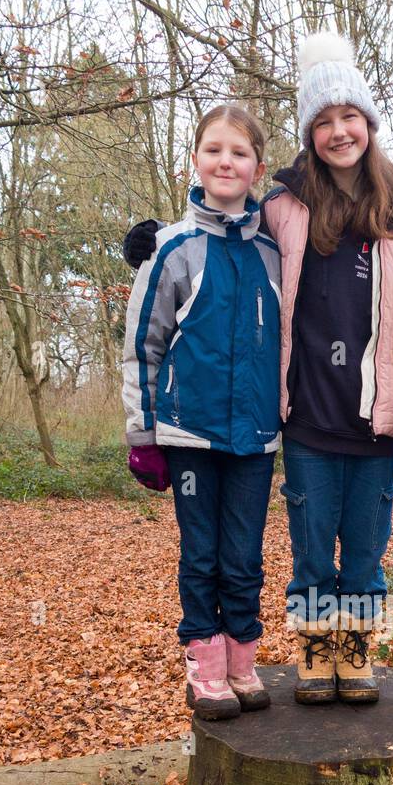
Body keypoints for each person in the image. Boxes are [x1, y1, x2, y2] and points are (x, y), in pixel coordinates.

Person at [125, 33, 393, 706]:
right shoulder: (282, 207)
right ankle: (315, 660)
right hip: (305, 415)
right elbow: (214, 223)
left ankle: (355, 658)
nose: (339, 131)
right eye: (323, 121)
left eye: (350, 117)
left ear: (368, 125)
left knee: (367, 551)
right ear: (308, 135)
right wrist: (146, 242)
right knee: (311, 549)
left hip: (378, 412)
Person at [122, 104, 281, 720]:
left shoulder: (270, 252)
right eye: (214, 149)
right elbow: (144, 342)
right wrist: (143, 433)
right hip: (189, 433)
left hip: (256, 437)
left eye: (239, 153)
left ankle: (243, 660)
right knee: (203, 553)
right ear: (195, 159)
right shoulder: (173, 248)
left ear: (257, 168)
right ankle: (205, 668)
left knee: (245, 554)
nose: (226, 161)